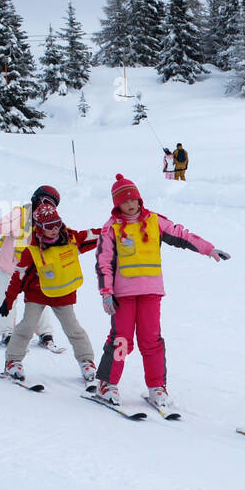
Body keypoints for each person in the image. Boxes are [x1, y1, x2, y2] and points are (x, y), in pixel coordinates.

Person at [93, 175, 229, 409]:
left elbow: (182, 235)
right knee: (122, 340)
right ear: (117, 205)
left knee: (151, 341)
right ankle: (107, 383)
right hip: (122, 296)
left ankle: (157, 386)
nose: (131, 205)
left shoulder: (155, 221)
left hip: (151, 293)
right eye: (125, 202)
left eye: (134, 199)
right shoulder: (111, 229)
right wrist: (106, 292)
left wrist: (208, 249)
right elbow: (103, 262)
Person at [0, 200, 100, 386]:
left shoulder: (70, 238)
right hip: (37, 294)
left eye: (57, 224)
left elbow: (93, 235)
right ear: (39, 227)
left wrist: (114, 230)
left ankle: (87, 361)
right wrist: (8, 300)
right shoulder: (32, 250)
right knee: (27, 326)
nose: (54, 229)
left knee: (73, 328)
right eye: (48, 226)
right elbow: (18, 277)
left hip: (62, 294)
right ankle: (13, 360)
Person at [0, 186, 67, 348]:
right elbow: (0, 225)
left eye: (51, 205)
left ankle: (45, 333)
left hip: (34, 270)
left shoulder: (49, 221)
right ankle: (7, 332)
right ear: (36, 199)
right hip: (11, 265)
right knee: (7, 298)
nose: (45, 207)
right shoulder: (21, 215)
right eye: (44, 202)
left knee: (40, 299)